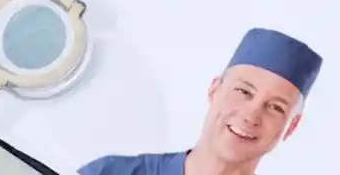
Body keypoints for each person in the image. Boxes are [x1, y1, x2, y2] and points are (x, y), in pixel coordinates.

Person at [79, 28, 322, 175]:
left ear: (291, 126)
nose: (251, 115)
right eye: (244, 91)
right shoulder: (112, 173)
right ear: (214, 90)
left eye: (275, 107)